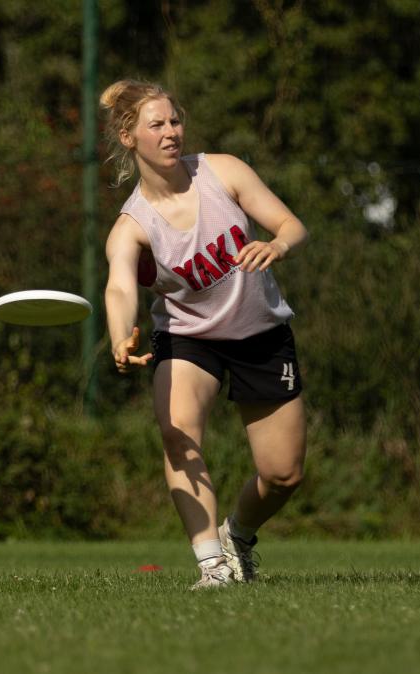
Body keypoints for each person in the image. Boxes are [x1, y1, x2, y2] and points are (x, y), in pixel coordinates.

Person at [100, 79, 309, 590]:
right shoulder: (132, 225)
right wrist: (118, 336)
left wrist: (278, 244)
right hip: (189, 338)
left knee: (283, 475)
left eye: (175, 121)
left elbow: (290, 224)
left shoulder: (223, 171)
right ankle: (212, 565)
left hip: (261, 334)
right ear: (129, 137)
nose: (171, 132)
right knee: (177, 432)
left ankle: (237, 534)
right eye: (157, 125)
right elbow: (119, 286)